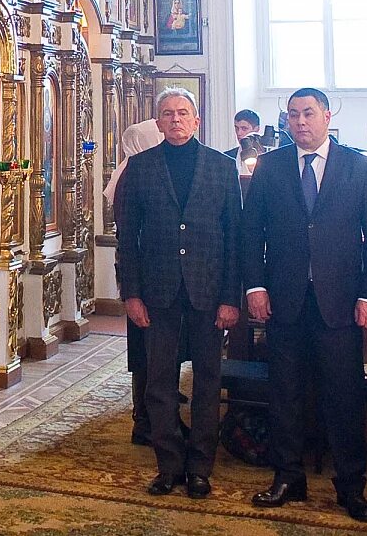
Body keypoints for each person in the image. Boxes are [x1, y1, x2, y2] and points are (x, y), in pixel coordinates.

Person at [242, 87, 367, 521]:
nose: (300, 122)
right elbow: (253, 232)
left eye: (308, 113)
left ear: (327, 115)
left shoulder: (358, 166)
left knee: (343, 396)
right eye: (293, 115)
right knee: (284, 393)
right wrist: (255, 287)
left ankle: (350, 486)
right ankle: (287, 476)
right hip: (285, 299)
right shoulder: (269, 167)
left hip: (341, 303)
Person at [115, 91, 242, 499]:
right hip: (158, 291)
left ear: (196, 120)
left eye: (182, 113)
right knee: (159, 382)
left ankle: (201, 466)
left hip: (209, 290)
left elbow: (234, 239)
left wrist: (231, 298)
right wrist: (131, 295)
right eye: (167, 114)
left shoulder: (223, 169)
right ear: (158, 122)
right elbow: (127, 239)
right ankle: (168, 465)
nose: (175, 120)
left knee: (207, 381)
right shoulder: (139, 167)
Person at [105, 118, 162, 445]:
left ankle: (152, 413)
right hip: (140, 274)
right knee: (145, 350)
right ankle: (144, 419)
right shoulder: (132, 175)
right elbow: (131, 233)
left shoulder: (135, 171)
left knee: (152, 349)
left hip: (144, 272)